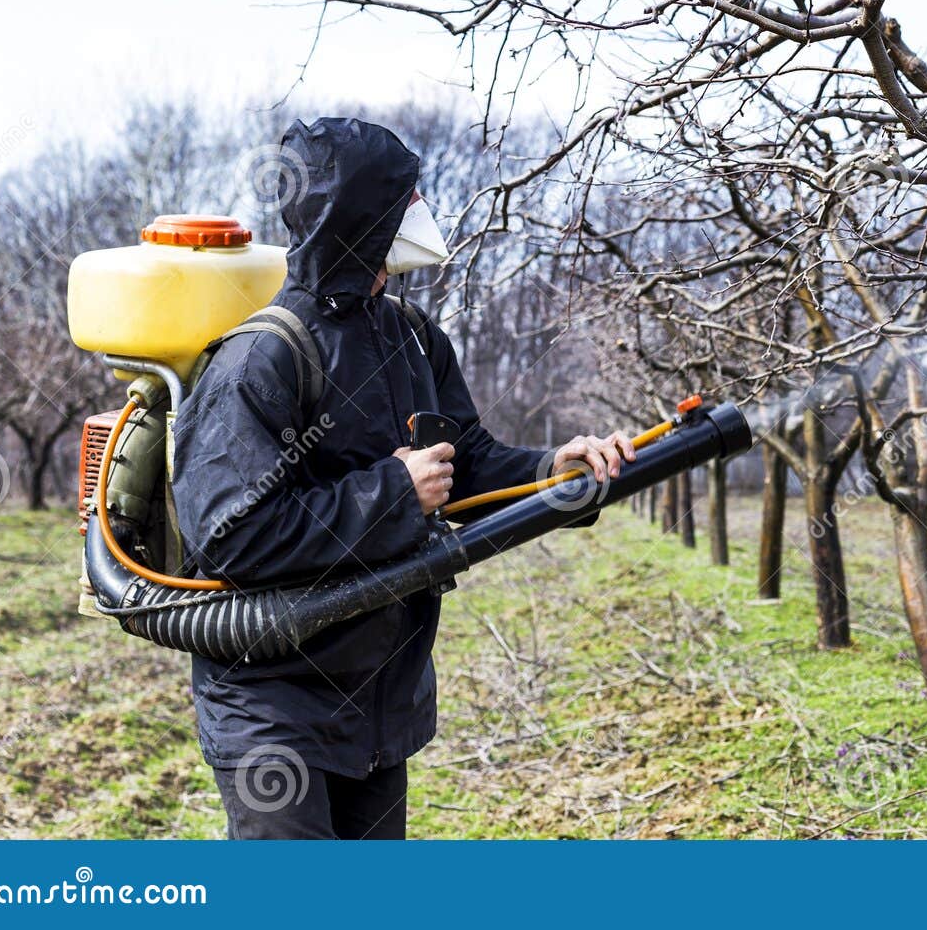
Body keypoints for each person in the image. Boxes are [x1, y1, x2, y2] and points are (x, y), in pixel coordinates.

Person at [171, 117, 633, 839]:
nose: (416, 215)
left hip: (378, 703)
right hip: (271, 708)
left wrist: (553, 472)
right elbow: (234, 533)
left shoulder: (415, 336)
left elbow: (467, 466)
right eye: (400, 202)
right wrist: (392, 492)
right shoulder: (259, 359)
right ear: (360, 216)